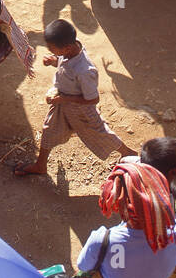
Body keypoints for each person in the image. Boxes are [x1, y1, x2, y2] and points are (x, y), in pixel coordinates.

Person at [13, 17, 133, 178]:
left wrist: (64, 98)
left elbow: (92, 99)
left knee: (100, 134)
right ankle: (40, 165)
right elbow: (64, 63)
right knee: (48, 131)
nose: (49, 49)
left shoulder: (85, 71)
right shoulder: (69, 52)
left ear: (67, 48)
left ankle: (128, 153)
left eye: (52, 48)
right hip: (62, 106)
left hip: (82, 111)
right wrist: (54, 61)